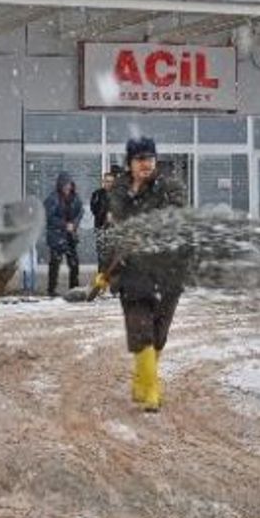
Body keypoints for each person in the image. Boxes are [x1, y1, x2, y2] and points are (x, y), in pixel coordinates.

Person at [95, 137, 187, 412]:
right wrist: (105, 272)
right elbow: (114, 235)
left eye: (149, 158)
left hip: (168, 271)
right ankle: (152, 390)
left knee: (159, 334)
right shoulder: (119, 192)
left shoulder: (171, 187)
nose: (145, 164)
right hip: (133, 272)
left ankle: (142, 378)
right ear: (130, 163)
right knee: (141, 331)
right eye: (139, 159)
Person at [43, 171, 84, 297]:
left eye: (69, 184)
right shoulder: (52, 198)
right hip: (56, 235)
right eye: (65, 184)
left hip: (70, 236)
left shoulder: (75, 198)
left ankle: (74, 287)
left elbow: (80, 212)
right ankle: (51, 290)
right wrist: (64, 224)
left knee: (74, 263)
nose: (67, 187)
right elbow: (48, 217)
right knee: (55, 263)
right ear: (60, 185)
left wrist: (74, 225)